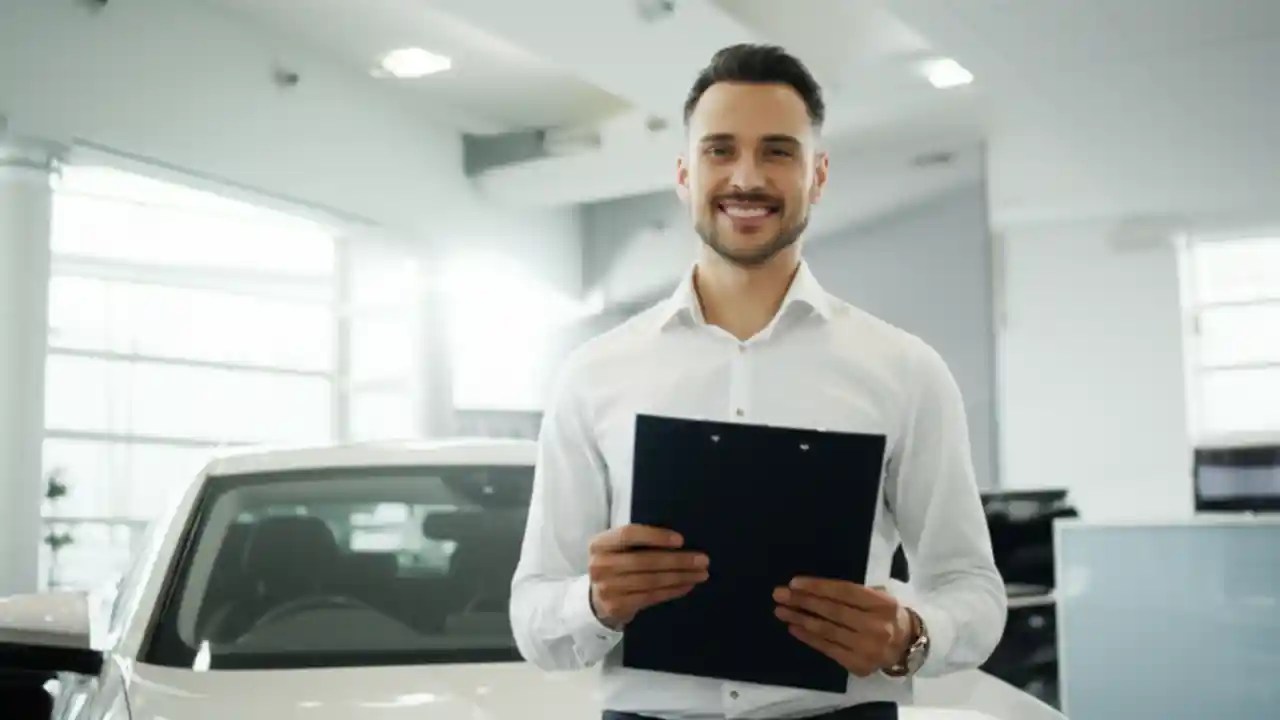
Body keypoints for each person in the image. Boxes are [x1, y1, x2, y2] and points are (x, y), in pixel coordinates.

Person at [509, 43, 1007, 720]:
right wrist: (594, 603)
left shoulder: (906, 371)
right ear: (684, 173)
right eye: (720, 150)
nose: (746, 177)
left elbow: (971, 588)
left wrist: (909, 636)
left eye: (777, 151)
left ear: (818, 175)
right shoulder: (593, 374)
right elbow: (534, 614)